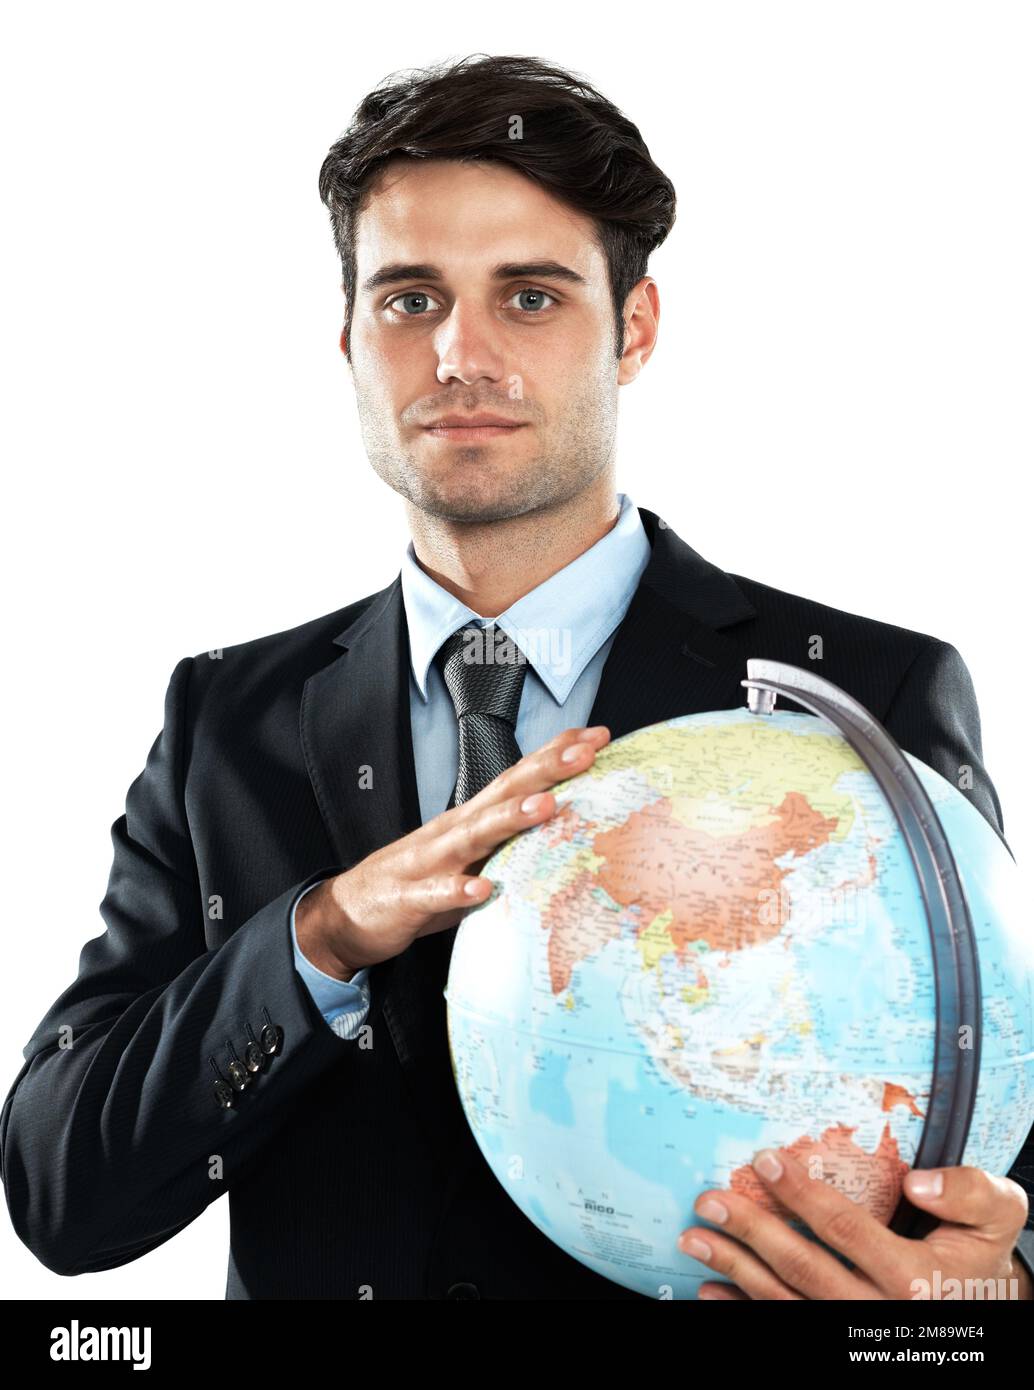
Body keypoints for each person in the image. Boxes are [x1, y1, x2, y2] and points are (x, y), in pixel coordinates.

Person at [2, 53, 1030, 1301]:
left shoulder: (859, 692)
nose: (458, 355)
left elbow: (999, 1133)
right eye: (409, 299)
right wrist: (319, 933)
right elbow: (62, 1192)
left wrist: (983, 1300)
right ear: (347, 337)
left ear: (632, 329)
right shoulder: (229, 720)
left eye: (530, 297)